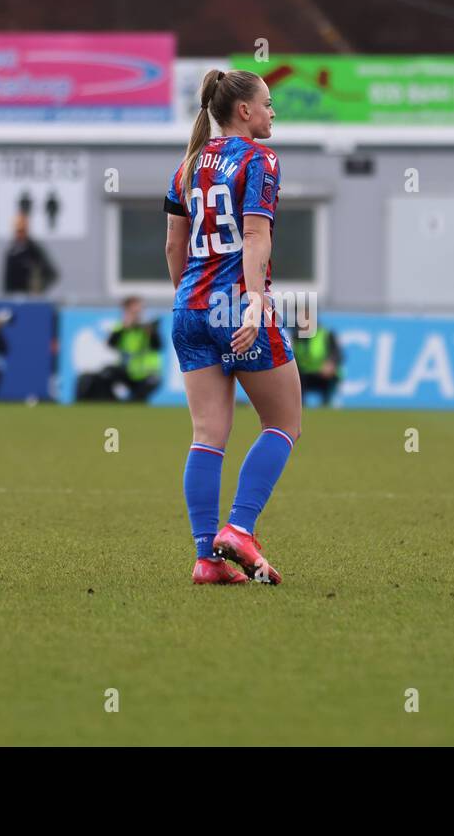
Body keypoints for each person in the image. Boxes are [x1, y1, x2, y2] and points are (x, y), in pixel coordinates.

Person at [165, 68, 299, 586]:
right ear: (243, 110)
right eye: (267, 103)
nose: (271, 111)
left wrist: (188, 301)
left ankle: (206, 559)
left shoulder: (188, 164)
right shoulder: (260, 159)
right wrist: (253, 303)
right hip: (235, 307)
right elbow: (255, 236)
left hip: (188, 308)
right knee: (283, 423)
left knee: (207, 436)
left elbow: (174, 248)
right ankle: (239, 529)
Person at [101, 296, 162, 402]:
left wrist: (150, 332)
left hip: (146, 372)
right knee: (106, 374)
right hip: (127, 370)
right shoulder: (121, 327)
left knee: (139, 396)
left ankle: (135, 402)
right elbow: (111, 344)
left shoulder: (149, 327)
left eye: (139, 310)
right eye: (134, 310)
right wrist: (125, 327)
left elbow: (158, 346)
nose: (137, 313)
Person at [293, 313, 343, 406]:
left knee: (331, 379)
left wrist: (331, 363)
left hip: (324, 374)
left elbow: (337, 353)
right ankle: (300, 407)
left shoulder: (326, 334)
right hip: (305, 375)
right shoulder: (297, 337)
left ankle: (328, 404)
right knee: (295, 379)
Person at [3, 213, 58, 294]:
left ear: (27, 230)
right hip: (14, 298)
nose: (19, 234)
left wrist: (38, 288)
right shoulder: (11, 252)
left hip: (31, 299)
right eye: (17, 231)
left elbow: (51, 273)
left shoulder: (35, 250)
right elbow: (7, 281)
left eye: (22, 231)